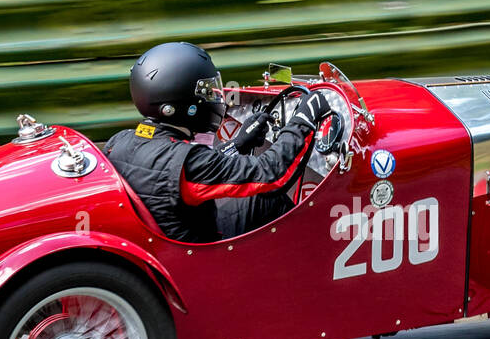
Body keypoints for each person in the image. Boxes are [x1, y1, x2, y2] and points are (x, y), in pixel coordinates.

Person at [105, 42, 329, 242]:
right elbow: (272, 174)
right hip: (197, 258)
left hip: (170, 236)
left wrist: (238, 144)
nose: (213, 97)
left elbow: (189, 169)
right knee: (271, 198)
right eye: (205, 91)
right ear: (181, 103)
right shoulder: (189, 162)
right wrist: (303, 120)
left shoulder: (120, 141)